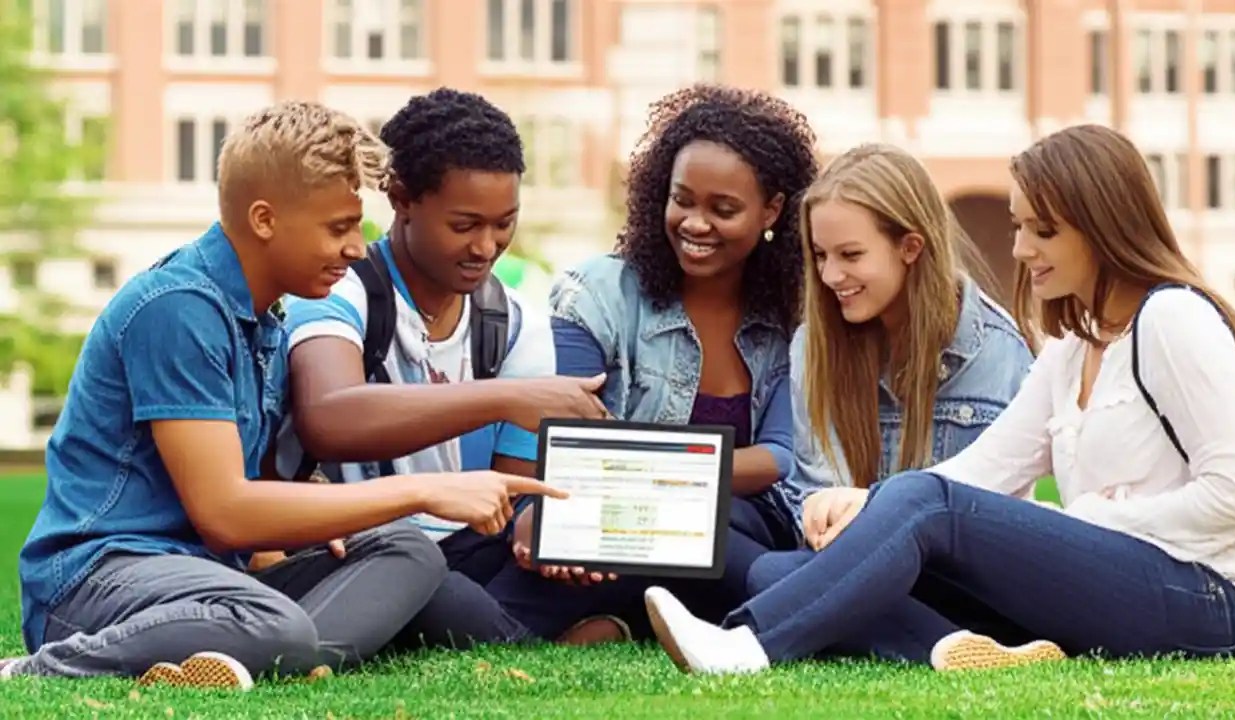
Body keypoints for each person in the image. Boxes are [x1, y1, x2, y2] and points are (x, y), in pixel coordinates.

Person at [643, 123, 1235, 674]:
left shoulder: (1173, 319)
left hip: (1209, 599)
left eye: (1042, 232)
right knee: (815, 569)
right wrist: (871, 511)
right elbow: (983, 472)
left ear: (1103, 226)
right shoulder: (1069, 348)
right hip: (1112, 588)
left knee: (912, 508)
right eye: (1019, 227)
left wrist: (1088, 524)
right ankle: (954, 648)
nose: (1022, 251)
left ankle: (746, 646)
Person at [2, 101, 560, 688]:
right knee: (274, 624)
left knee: (407, 550)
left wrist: (326, 520)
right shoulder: (177, 308)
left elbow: (262, 499)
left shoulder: (265, 322)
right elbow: (225, 514)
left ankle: (257, 662)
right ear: (265, 219)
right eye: (338, 228)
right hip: (102, 576)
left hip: (208, 580)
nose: (354, 249)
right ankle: (36, 669)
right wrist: (425, 488)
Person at [270, 88, 620, 648]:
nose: (486, 246)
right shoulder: (340, 291)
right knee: (435, 588)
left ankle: (512, 621)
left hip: (458, 545)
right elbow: (327, 418)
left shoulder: (511, 319)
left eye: (504, 223)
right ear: (402, 198)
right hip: (348, 543)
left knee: (619, 565)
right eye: (464, 225)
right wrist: (504, 398)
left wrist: (535, 529)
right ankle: (529, 641)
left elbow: (508, 499)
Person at [485, 84, 820, 640]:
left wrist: (653, 491)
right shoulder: (599, 293)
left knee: (708, 523)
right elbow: (564, 437)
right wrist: (550, 515)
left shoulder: (787, 316)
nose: (694, 223)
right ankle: (646, 619)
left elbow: (780, 458)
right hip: (604, 526)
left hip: (725, 526)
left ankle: (635, 618)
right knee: (498, 614)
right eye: (682, 199)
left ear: (774, 209)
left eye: (724, 209)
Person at [750, 144, 1033, 600]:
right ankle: (945, 643)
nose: (830, 276)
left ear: (910, 247)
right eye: (821, 255)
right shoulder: (813, 345)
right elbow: (812, 490)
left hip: (959, 578)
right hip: (851, 562)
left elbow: (999, 517)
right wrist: (822, 519)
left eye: (851, 255)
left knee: (777, 581)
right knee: (765, 568)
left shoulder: (1002, 353)